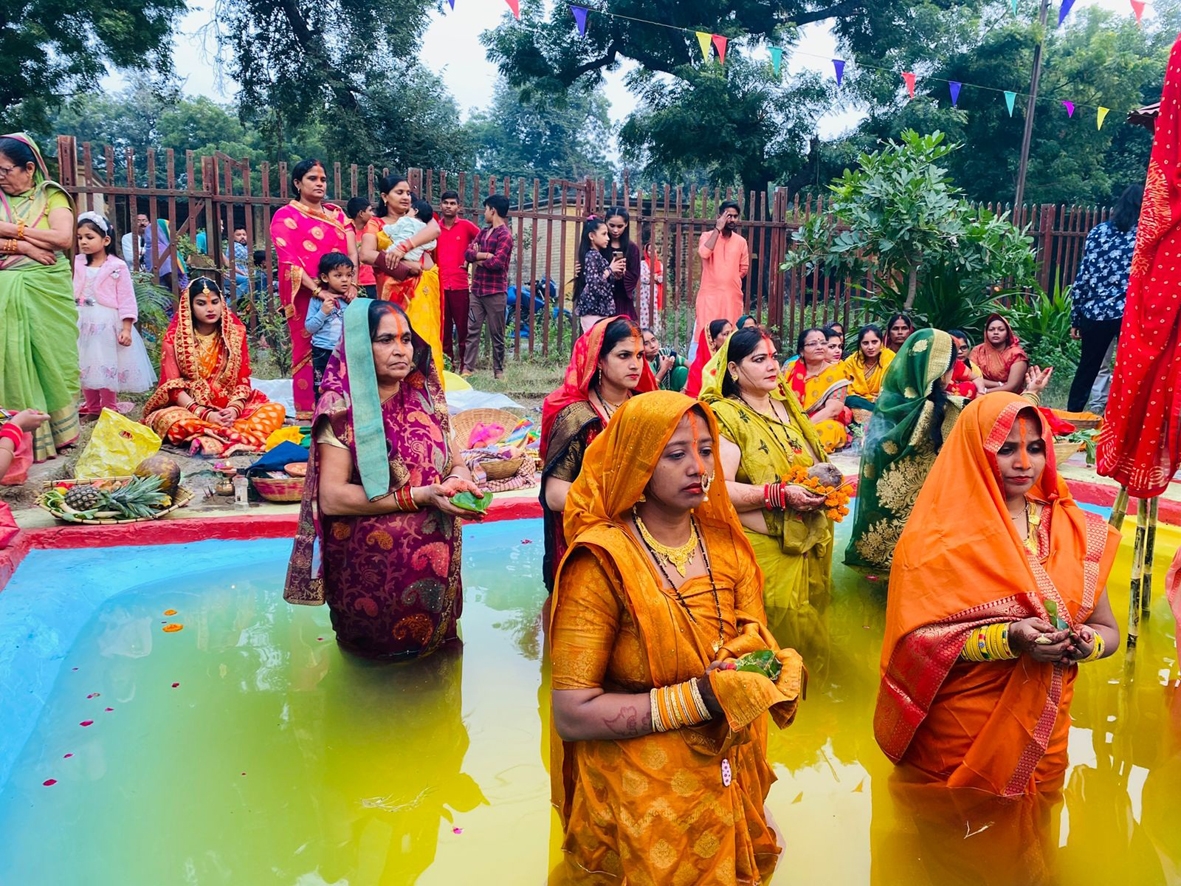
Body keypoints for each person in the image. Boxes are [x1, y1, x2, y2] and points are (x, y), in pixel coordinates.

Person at [549, 391, 806, 885]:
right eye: (675, 454)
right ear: (637, 464)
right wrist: (701, 699)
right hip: (639, 801)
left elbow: (749, 650)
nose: (698, 467)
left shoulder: (728, 548)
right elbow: (571, 712)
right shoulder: (601, 564)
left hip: (727, 776)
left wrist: (773, 671)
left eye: (706, 450)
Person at [875, 394, 1121, 796]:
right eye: (1006, 449)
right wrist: (1008, 638)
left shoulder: (1072, 529)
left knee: (1036, 842)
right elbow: (914, 645)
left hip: (1046, 737)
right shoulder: (935, 538)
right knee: (948, 847)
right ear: (976, 450)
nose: (1024, 463)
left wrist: (1085, 644)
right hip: (958, 737)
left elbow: (1106, 628)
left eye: (1035, 447)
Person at [285, 298, 485, 659]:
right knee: (375, 687)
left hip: (438, 574)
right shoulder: (342, 409)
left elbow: (456, 463)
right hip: (371, 579)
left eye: (406, 339)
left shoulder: (425, 397)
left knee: (441, 675)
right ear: (362, 345)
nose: (400, 350)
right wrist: (419, 496)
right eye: (386, 340)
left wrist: (459, 482)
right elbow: (332, 497)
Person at [699, 326, 834, 657]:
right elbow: (716, 490)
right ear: (733, 369)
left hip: (809, 533)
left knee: (812, 627)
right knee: (774, 640)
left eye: (773, 357)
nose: (772, 366)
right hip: (763, 544)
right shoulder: (726, 415)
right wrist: (780, 495)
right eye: (759, 360)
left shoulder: (785, 406)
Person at [539, 316, 656, 592]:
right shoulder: (578, 417)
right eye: (624, 355)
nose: (635, 364)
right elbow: (555, 496)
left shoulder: (648, 409)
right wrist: (620, 498)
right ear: (599, 361)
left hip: (645, 537)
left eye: (639, 355)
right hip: (590, 541)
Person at [844, 329, 963, 571]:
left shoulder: (888, 403)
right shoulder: (948, 410)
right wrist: (1031, 394)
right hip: (925, 538)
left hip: (878, 535)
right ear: (940, 371)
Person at [0, 132, 81, 462]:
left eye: (5, 170)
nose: (0, 176)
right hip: (6, 289)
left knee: (54, 355)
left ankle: (58, 432)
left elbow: (62, 237)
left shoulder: (52, 197)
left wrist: (10, 231)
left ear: (29, 168)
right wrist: (25, 245)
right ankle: (13, 438)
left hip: (47, 288)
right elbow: (46, 240)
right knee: (9, 358)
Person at [142, 278, 286, 455]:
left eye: (215, 302)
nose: (210, 309)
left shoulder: (235, 334)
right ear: (190, 307)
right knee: (170, 420)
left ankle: (211, 437)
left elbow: (242, 380)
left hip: (229, 409)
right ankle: (228, 435)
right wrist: (204, 414)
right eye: (201, 303)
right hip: (191, 409)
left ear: (221, 302)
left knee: (276, 410)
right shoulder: (173, 341)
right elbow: (174, 388)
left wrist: (233, 409)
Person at [270, 158, 358, 418]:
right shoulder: (286, 217)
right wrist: (320, 292)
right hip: (306, 294)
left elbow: (352, 251)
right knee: (309, 348)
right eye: (312, 178)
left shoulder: (338, 215)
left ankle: (344, 406)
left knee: (343, 344)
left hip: (343, 290)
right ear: (297, 183)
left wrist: (350, 283)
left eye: (323, 179)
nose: (319, 183)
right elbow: (288, 261)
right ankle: (309, 411)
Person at [1067, 184, 1142, 412]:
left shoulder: (1098, 232)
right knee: (1130, 370)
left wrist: (1076, 317)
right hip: (1129, 313)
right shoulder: (1145, 237)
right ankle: (1123, 418)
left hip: (1095, 312)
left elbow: (1084, 276)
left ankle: (1072, 415)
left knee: (1087, 368)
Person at [73, 212, 156, 417]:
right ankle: (92, 407)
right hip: (80, 319)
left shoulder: (117, 266)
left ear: (106, 240)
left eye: (89, 237)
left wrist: (127, 328)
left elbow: (127, 299)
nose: (83, 242)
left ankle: (108, 407)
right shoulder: (75, 263)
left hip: (106, 323)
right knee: (84, 363)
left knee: (105, 363)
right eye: (80, 237)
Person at [462, 194, 514, 378]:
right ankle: (467, 369)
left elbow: (498, 263)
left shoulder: (505, 235)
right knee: (472, 330)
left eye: (486, 209)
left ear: (493, 210)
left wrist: (478, 258)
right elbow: (468, 253)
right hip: (477, 290)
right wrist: (484, 256)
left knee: (497, 334)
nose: (484, 213)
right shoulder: (483, 232)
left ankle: (498, 371)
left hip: (495, 292)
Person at [691, 200, 749, 352]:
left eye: (735, 216)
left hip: (732, 296)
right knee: (706, 332)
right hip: (709, 296)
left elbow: (744, 268)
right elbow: (704, 253)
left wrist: (730, 280)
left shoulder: (741, 242)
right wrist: (717, 229)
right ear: (720, 216)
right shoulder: (707, 236)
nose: (732, 220)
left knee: (731, 333)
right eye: (728, 216)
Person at [784, 327, 851, 453]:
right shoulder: (790, 369)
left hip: (820, 422)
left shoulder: (837, 372)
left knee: (829, 429)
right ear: (801, 351)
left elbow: (833, 410)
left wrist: (802, 427)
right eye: (812, 343)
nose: (819, 347)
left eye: (823, 343)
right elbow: (776, 397)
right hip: (789, 420)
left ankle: (798, 449)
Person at [435, 190, 480, 365]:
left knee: (463, 327)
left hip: (460, 284)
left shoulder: (466, 226)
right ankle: (447, 362)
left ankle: (465, 364)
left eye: (452, 203)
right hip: (439, 284)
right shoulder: (434, 228)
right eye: (446, 203)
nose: (449, 206)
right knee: (443, 327)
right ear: (441, 205)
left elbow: (483, 239)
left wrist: (472, 256)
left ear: (458, 207)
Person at [304, 252, 353, 399]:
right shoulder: (318, 301)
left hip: (346, 351)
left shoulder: (351, 300)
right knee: (321, 386)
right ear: (325, 277)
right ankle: (322, 416)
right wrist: (323, 312)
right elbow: (309, 328)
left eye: (349, 275)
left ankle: (343, 415)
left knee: (346, 385)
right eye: (338, 275)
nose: (345, 280)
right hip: (323, 350)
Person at [573, 217, 617, 333]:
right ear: (592, 236)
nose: (608, 238)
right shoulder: (592, 256)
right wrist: (609, 270)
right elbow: (594, 283)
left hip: (598, 310)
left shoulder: (596, 255)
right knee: (595, 344)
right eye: (604, 234)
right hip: (594, 310)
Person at [840, 324, 894, 416]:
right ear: (860, 344)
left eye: (874, 342)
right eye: (865, 343)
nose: (870, 347)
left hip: (883, 402)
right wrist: (869, 399)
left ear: (881, 342)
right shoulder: (851, 361)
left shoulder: (891, 358)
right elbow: (846, 388)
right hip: (859, 402)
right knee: (850, 400)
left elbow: (895, 386)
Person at [600, 206, 641, 321]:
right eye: (611, 225)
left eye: (620, 226)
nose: (615, 230)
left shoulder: (632, 249)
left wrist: (624, 274)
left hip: (623, 302)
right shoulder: (599, 246)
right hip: (600, 303)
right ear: (606, 222)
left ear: (626, 224)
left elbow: (634, 276)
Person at [972, 313, 1029, 394]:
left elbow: (1013, 386)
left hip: (1009, 397)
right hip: (978, 393)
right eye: (991, 329)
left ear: (1007, 334)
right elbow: (970, 377)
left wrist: (985, 392)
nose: (996, 332)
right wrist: (999, 384)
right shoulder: (977, 351)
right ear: (986, 333)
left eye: (1001, 329)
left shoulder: (1016, 354)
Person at [684, 318, 733, 398]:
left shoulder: (735, 360)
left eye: (731, 332)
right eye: (726, 334)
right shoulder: (698, 368)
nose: (731, 337)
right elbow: (693, 397)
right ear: (712, 341)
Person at [345, 197, 377, 298]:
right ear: (361, 213)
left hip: (374, 280)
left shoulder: (374, 231)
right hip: (354, 283)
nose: (373, 214)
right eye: (370, 210)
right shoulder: (347, 232)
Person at [641, 327, 688, 392]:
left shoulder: (663, 352)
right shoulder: (641, 363)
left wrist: (684, 390)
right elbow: (650, 390)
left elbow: (692, 366)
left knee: (682, 371)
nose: (652, 345)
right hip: (654, 396)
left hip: (673, 391)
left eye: (653, 340)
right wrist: (663, 369)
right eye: (646, 344)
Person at [947, 329, 987, 400]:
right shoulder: (936, 366)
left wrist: (981, 392)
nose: (959, 352)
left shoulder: (974, 369)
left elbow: (978, 380)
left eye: (963, 348)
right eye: (955, 348)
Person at [639, 224, 664, 329]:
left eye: (653, 250)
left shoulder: (659, 264)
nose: (651, 252)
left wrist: (655, 277)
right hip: (645, 293)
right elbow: (643, 278)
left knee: (654, 315)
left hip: (655, 293)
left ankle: (654, 333)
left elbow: (662, 278)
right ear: (646, 251)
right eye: (649, 250)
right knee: (644, 314)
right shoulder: (643, 263)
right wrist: (653, 277)